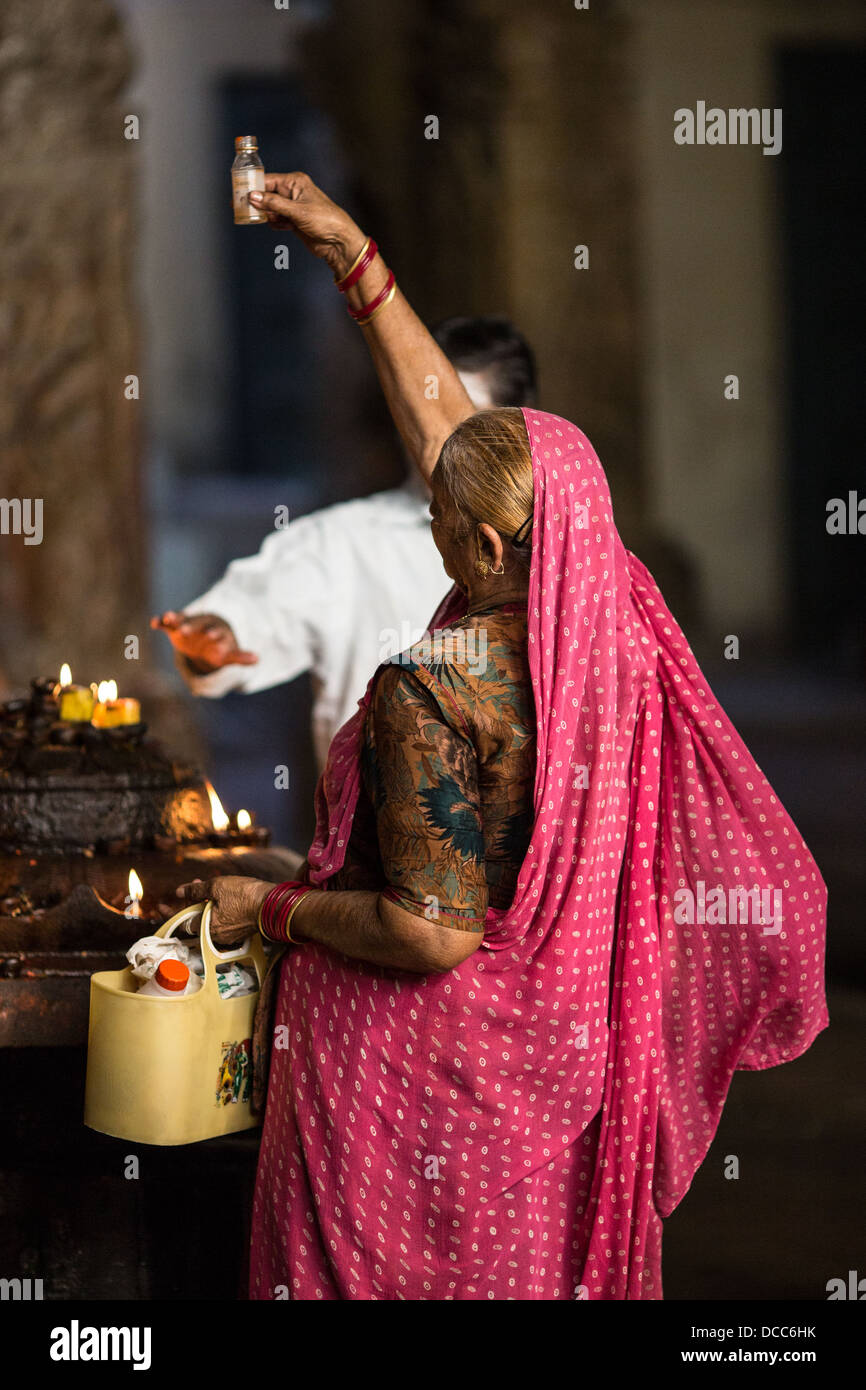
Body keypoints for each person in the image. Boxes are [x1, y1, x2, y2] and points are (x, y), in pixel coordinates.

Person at [179, 173, 828, 1300]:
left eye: (437, 517)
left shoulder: (430, 691)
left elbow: (429, 935)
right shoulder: (623, 635)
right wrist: (354, 255)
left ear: (482, 546)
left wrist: (269, 906)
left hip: (409, 1084)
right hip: (560, 1069)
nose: (423, 525)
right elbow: (458, 441)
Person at [151, 316, 537, 773]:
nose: (435, 432)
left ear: (517, 428)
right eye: (420, 406)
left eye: (457, 414)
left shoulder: (564, 547)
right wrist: (218, 635)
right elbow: (250, 618)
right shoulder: (341, 542)